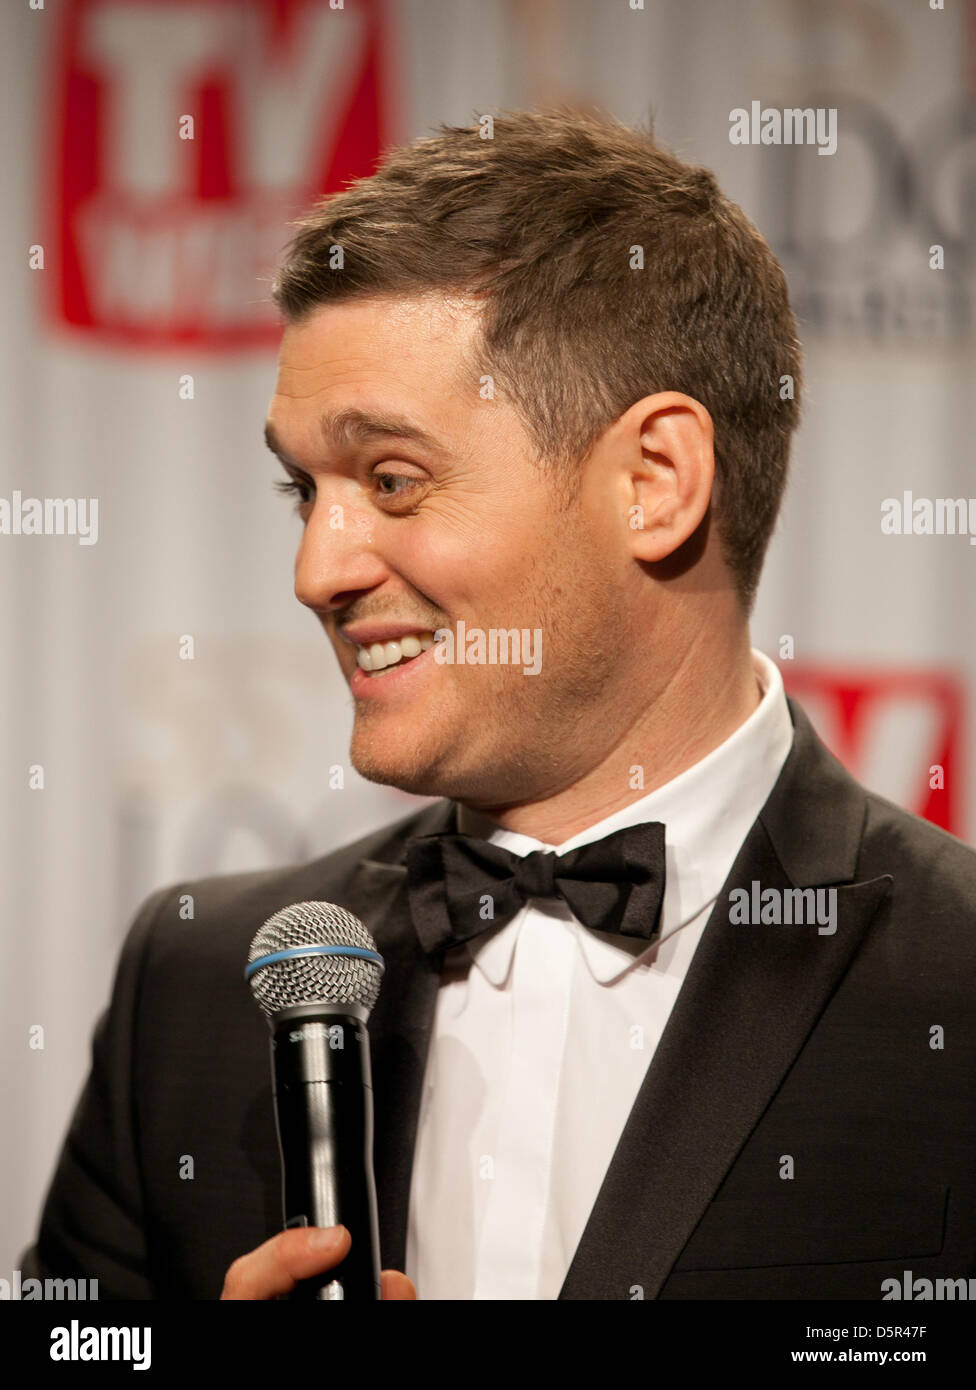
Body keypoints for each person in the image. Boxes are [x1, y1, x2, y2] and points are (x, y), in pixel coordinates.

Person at [20, 109, 976, 1301]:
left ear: (653, 482)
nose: (317, 571)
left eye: (392, 479)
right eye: (303, 490)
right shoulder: (199, 986)